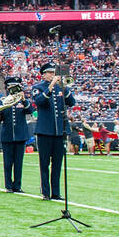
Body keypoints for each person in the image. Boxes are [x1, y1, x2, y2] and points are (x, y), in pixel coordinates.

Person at [31, 63, 74, 201]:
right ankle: (45, 192)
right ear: (43, 74)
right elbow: (40, 101)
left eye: (53, 72)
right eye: (50, 72)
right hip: (44, 130)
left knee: (57, 163)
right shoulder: (38, 87)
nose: (52, 75)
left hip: (59, 131)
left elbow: (72, 102)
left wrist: (64, 87)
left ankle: (56, 192)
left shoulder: (60, 88)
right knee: (44, 163)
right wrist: (50, 87)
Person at [0, 78, 31, 193]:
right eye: (11, 87)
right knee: (8, 162)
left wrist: (24, 99)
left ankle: (17, 185)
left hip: (20, 135)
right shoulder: (2, 101)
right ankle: (8, 185)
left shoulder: (22, 101)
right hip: (8, 135)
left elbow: (30, 110)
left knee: (18, 163)